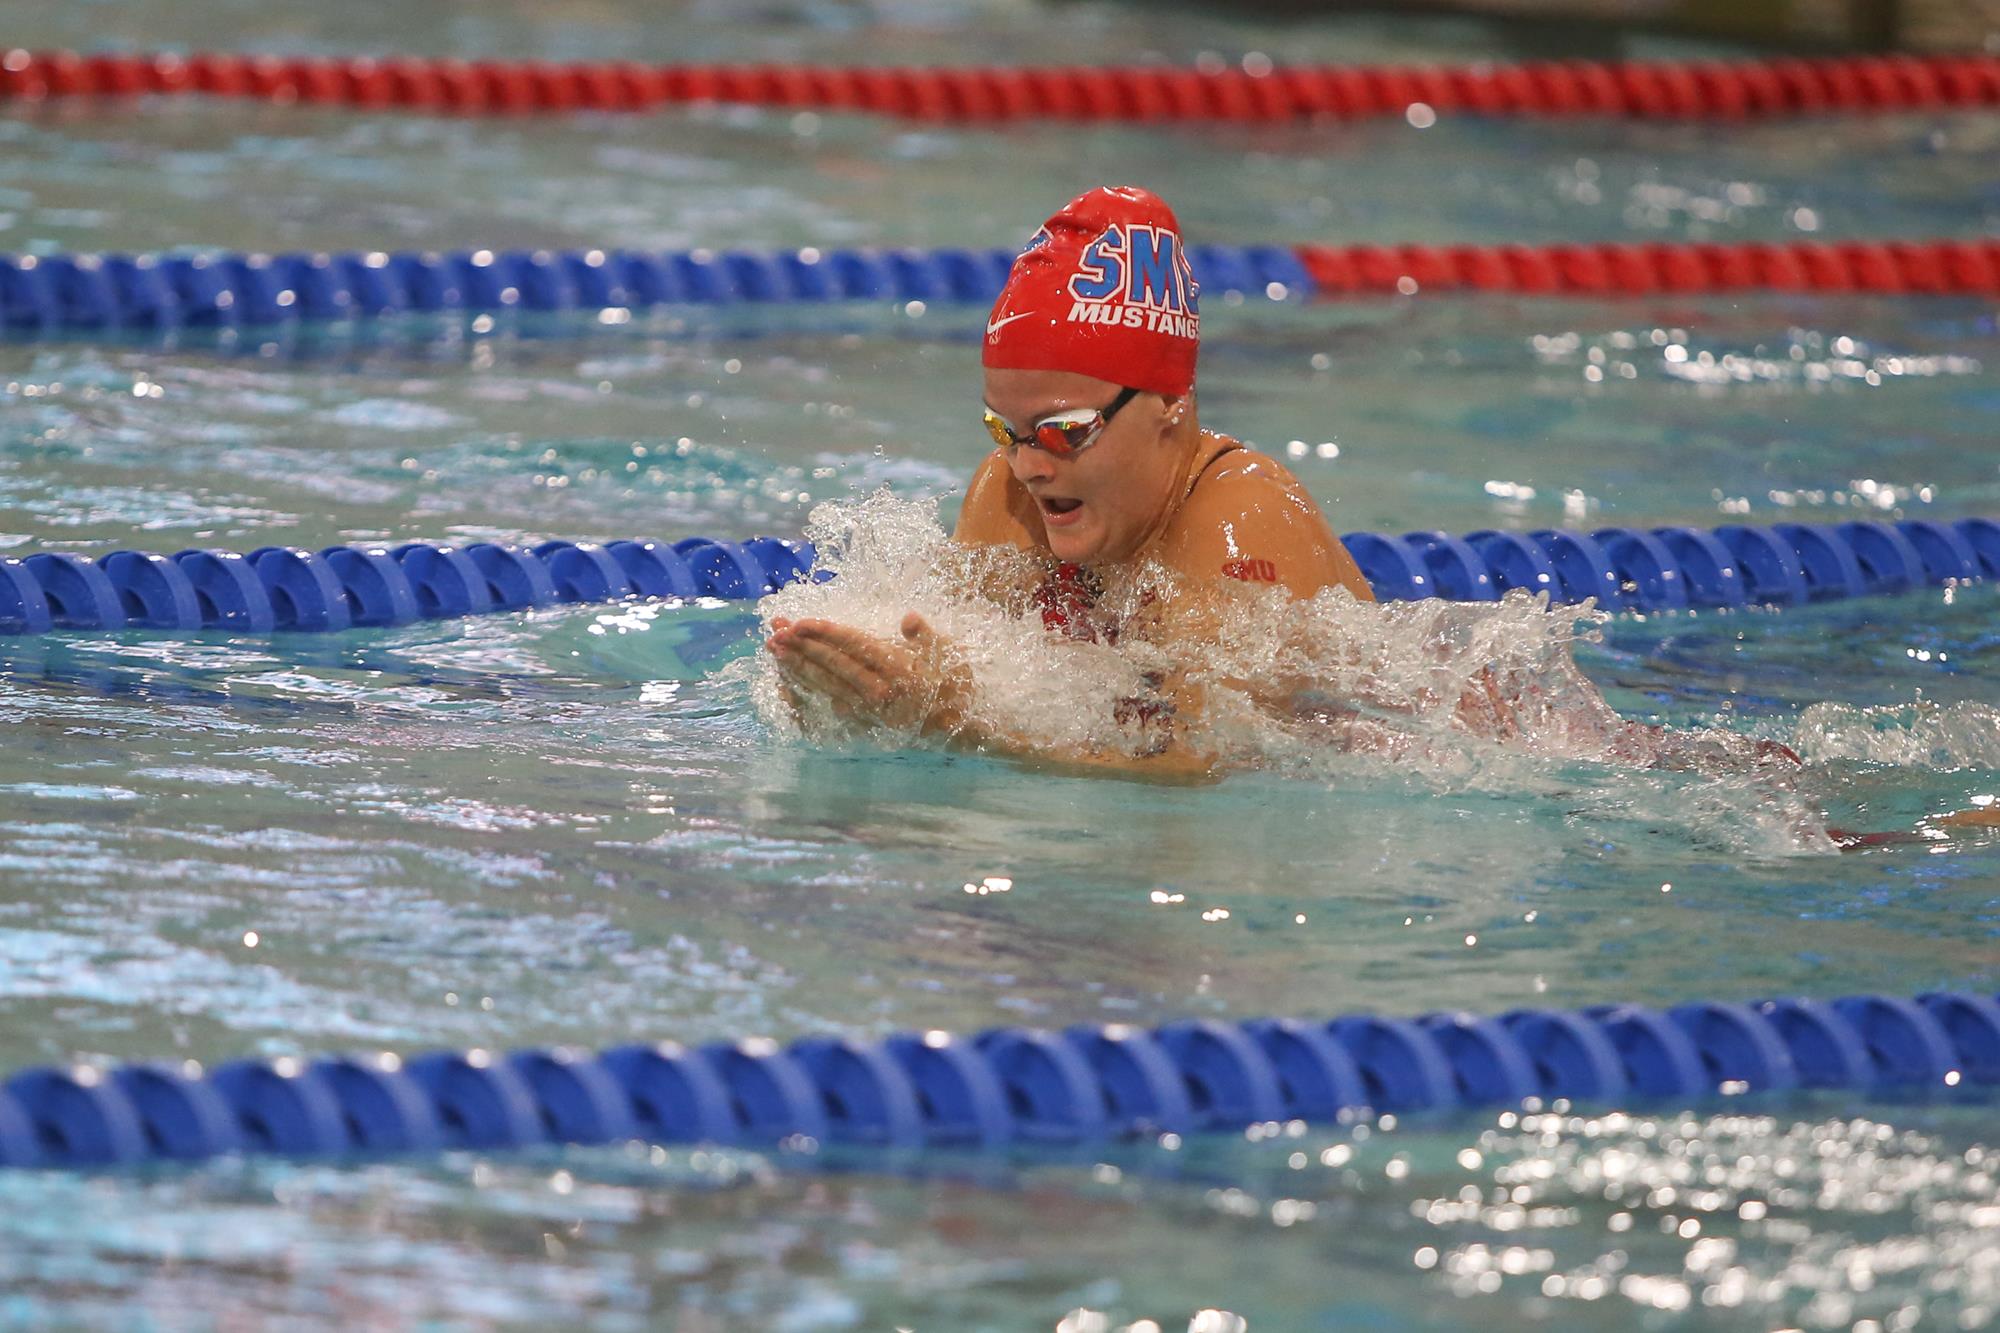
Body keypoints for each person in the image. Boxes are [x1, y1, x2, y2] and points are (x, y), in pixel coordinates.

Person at [765, 185, 1372, 776]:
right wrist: (846, 703)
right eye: (1006, 429)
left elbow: (1201, 773)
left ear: (1168, 401)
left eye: (1065, 430)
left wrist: (961, 725)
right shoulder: (1007, 496)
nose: (1028, 466)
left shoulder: (1239, 520)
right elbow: (960, 694)